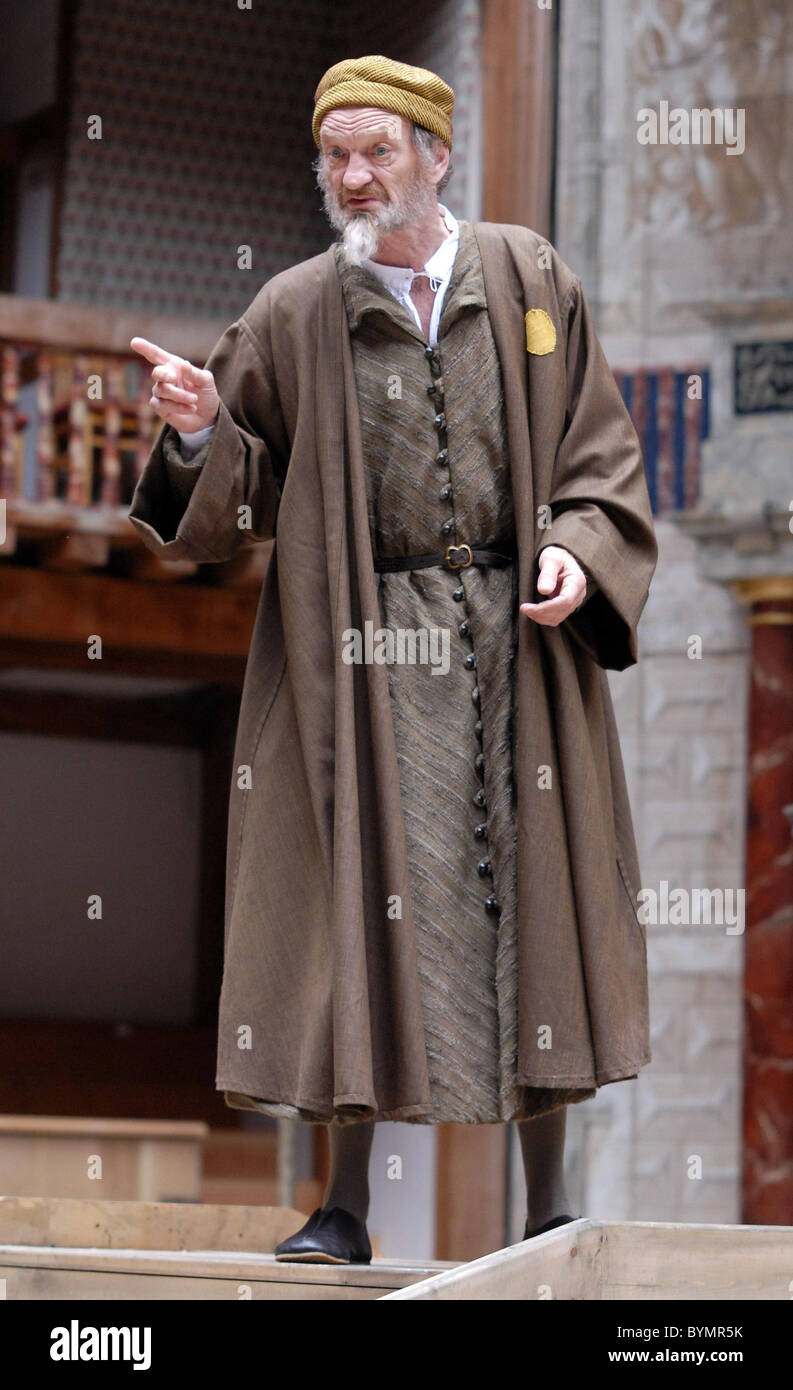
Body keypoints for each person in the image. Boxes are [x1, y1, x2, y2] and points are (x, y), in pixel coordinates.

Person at [128, 55, 658, 1265]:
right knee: (355, 908)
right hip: (362, 653)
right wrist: (205, 428)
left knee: (527, 895)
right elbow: (246, 495)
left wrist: (578, 551)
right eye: (334, 155)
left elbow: (595, 451)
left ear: (435, 155)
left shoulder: (528, 276)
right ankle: (344, 1204)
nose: (353, 176)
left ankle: (547, 1204)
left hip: (516, 647)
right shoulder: (293, 309)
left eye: (376, 150)